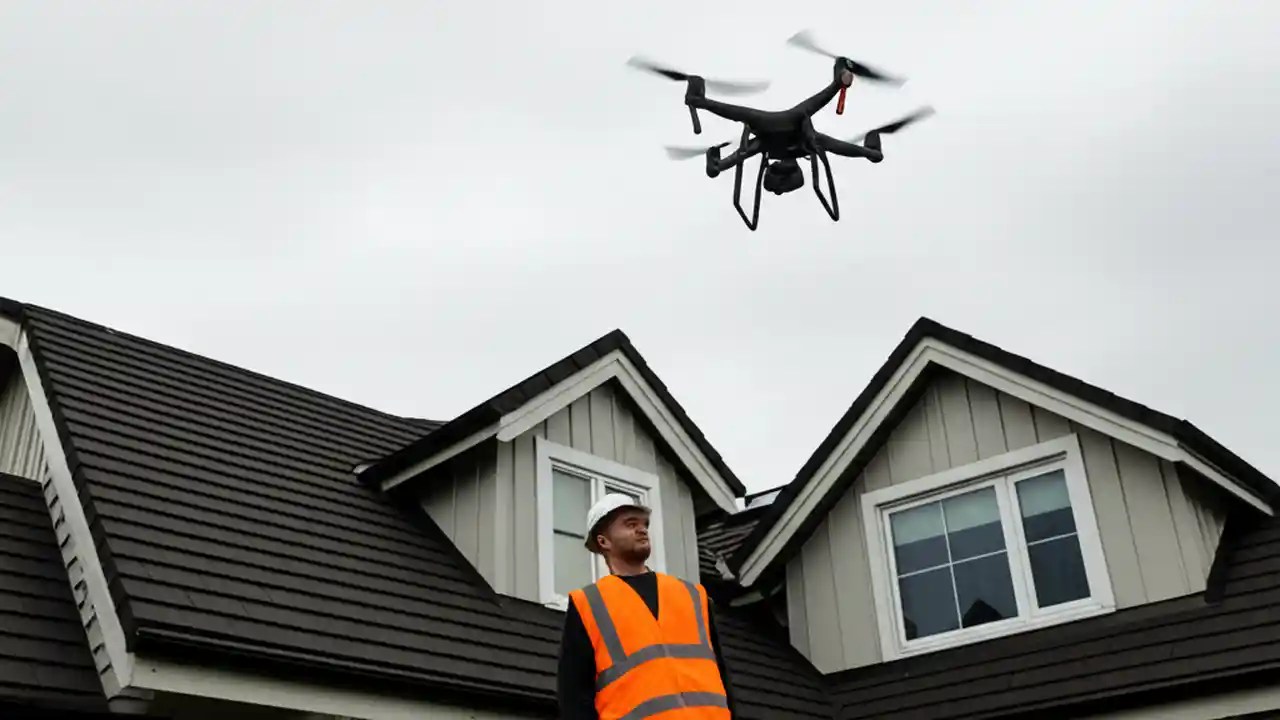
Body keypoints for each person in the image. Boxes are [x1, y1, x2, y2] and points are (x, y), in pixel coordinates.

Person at [557, 494, 737, 720]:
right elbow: (574, 697)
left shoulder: (692, 595)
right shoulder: (588, 604)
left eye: (644, 525)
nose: (642, 530)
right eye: (631, 524)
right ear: (604, 541)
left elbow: (722, 675)